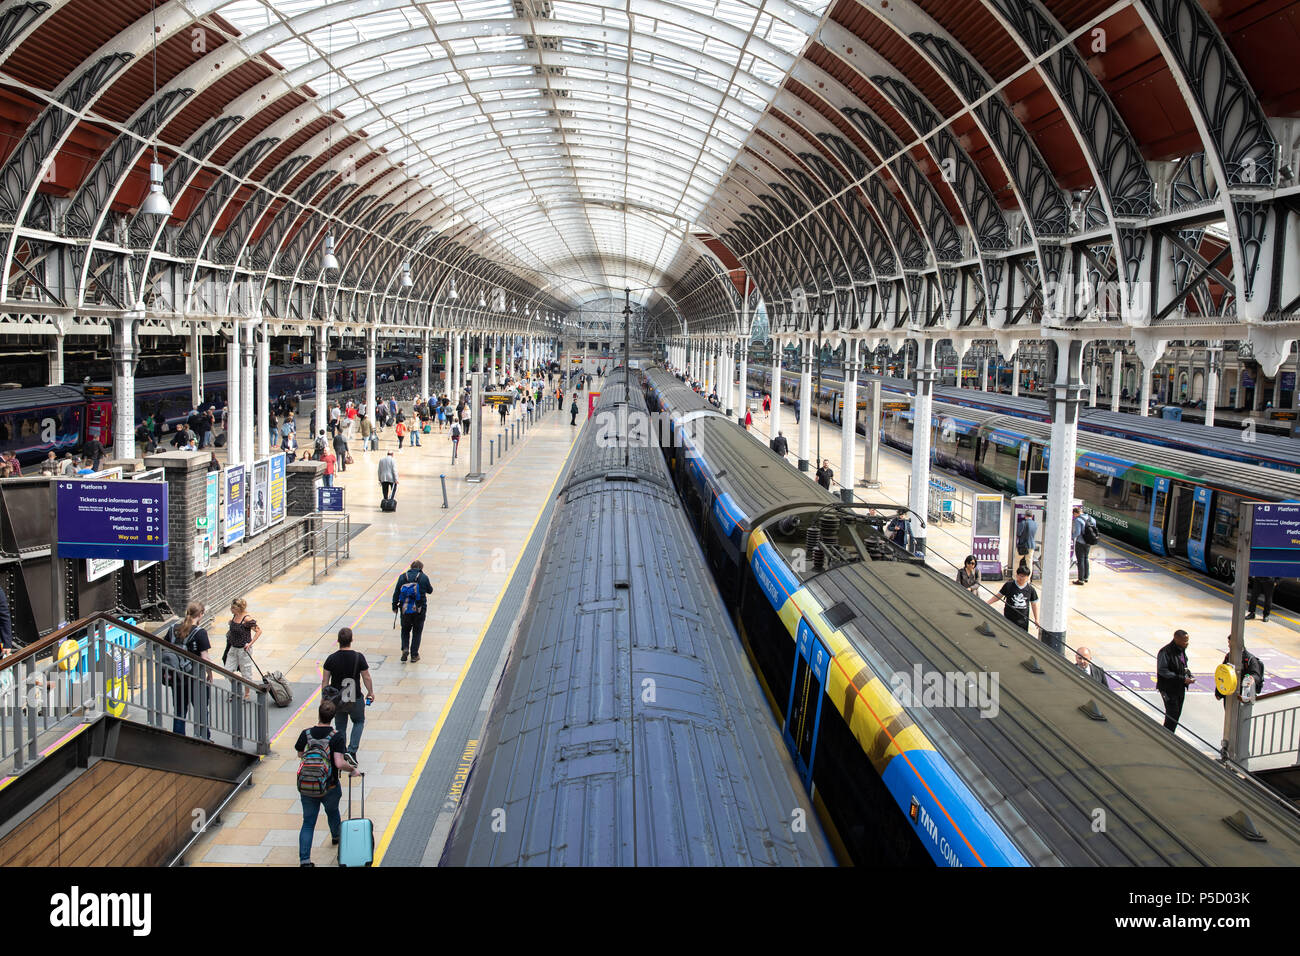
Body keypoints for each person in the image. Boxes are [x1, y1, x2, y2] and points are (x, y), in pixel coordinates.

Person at [294, 699, 360, 867]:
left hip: (308, 786)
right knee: (332, 811)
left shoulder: (306, 733)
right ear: (333, 716)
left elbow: (300, 754)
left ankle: (305, 860)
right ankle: (337, 838)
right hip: (329, 785)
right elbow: (338, 763)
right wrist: (352, 769)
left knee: (308, 822)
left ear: (319, 714)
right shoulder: (336, 736)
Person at [322, 627, 373, 758]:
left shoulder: (331, 659)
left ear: (338, 640)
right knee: (359, 721)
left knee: (340, 726)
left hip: (338, 700)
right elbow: (366, 676)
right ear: (352, 640)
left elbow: (325, 681)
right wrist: (370, 692)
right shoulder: (358, 657)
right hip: (355, 697)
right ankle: (352, 751)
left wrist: (324, 700)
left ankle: (342, 751)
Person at [167, 602, 212, 738]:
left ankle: (178, 737)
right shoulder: (200, 633)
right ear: (200, 614)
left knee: (179, 709)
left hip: (178, 677)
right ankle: (203, 736)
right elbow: (204, 657)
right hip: (195, 677)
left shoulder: (173, 629)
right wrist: (210, 674)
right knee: (201, 709)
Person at [391, 560, 433, 663]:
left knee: (405, 630)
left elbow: (396, 592)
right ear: (420, 568)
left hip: (405, 609)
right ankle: (414, 655)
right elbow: (430, 590)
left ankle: (405, 648)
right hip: (419, 609)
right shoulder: (423, 577)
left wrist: (394, 606)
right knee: (417, 632)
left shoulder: (403, 577)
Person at [1156, 629, 1194, 732]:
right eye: (1184, 640)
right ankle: (1166, 736)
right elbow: (1162, 670)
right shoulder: (1165, 651)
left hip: (1179, 687)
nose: (1187, 643)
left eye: (1187, 640)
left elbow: (1183, 666)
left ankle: (1169, 734)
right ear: (1176, 639)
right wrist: (1181, 678)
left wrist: (1188, 674)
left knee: (1176, 715)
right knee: (1172, 714)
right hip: (1168, 688)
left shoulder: (1181, 650)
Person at [224, 598, 261, 701]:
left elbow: (258, 631)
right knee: (227, 671)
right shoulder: (235, 616)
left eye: (233, 608)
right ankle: (237, 689)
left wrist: (250, 643)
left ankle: (247, 694)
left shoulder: (247, 619)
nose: (231, 610)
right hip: (233, 648)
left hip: (244, 650)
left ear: (239, 609)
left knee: (246, 673)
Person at [987, 566, 1039, 632]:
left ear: (1028, 577)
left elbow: (1034, 604)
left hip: (1023, 621)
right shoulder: (1009, 585)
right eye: (1020, 575)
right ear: (1016, 575)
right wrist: (988, 603)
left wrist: (1036, 619)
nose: (1021, 578)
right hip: (1009, 618)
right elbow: (998, 596)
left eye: (1023, 576)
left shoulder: (1030, 589)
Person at [1072, 506, 1096, 585]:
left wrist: (1071, 536)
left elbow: (1078, 532)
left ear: (1076, 513)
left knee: (1080, 560)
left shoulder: (1078, 520)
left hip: (1081, 542)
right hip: (1089, 542)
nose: (1074, 516)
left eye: (1074, 515)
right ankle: (1086, 577)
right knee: (1086, 558)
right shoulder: (1091, 518)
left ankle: (1080, 579)